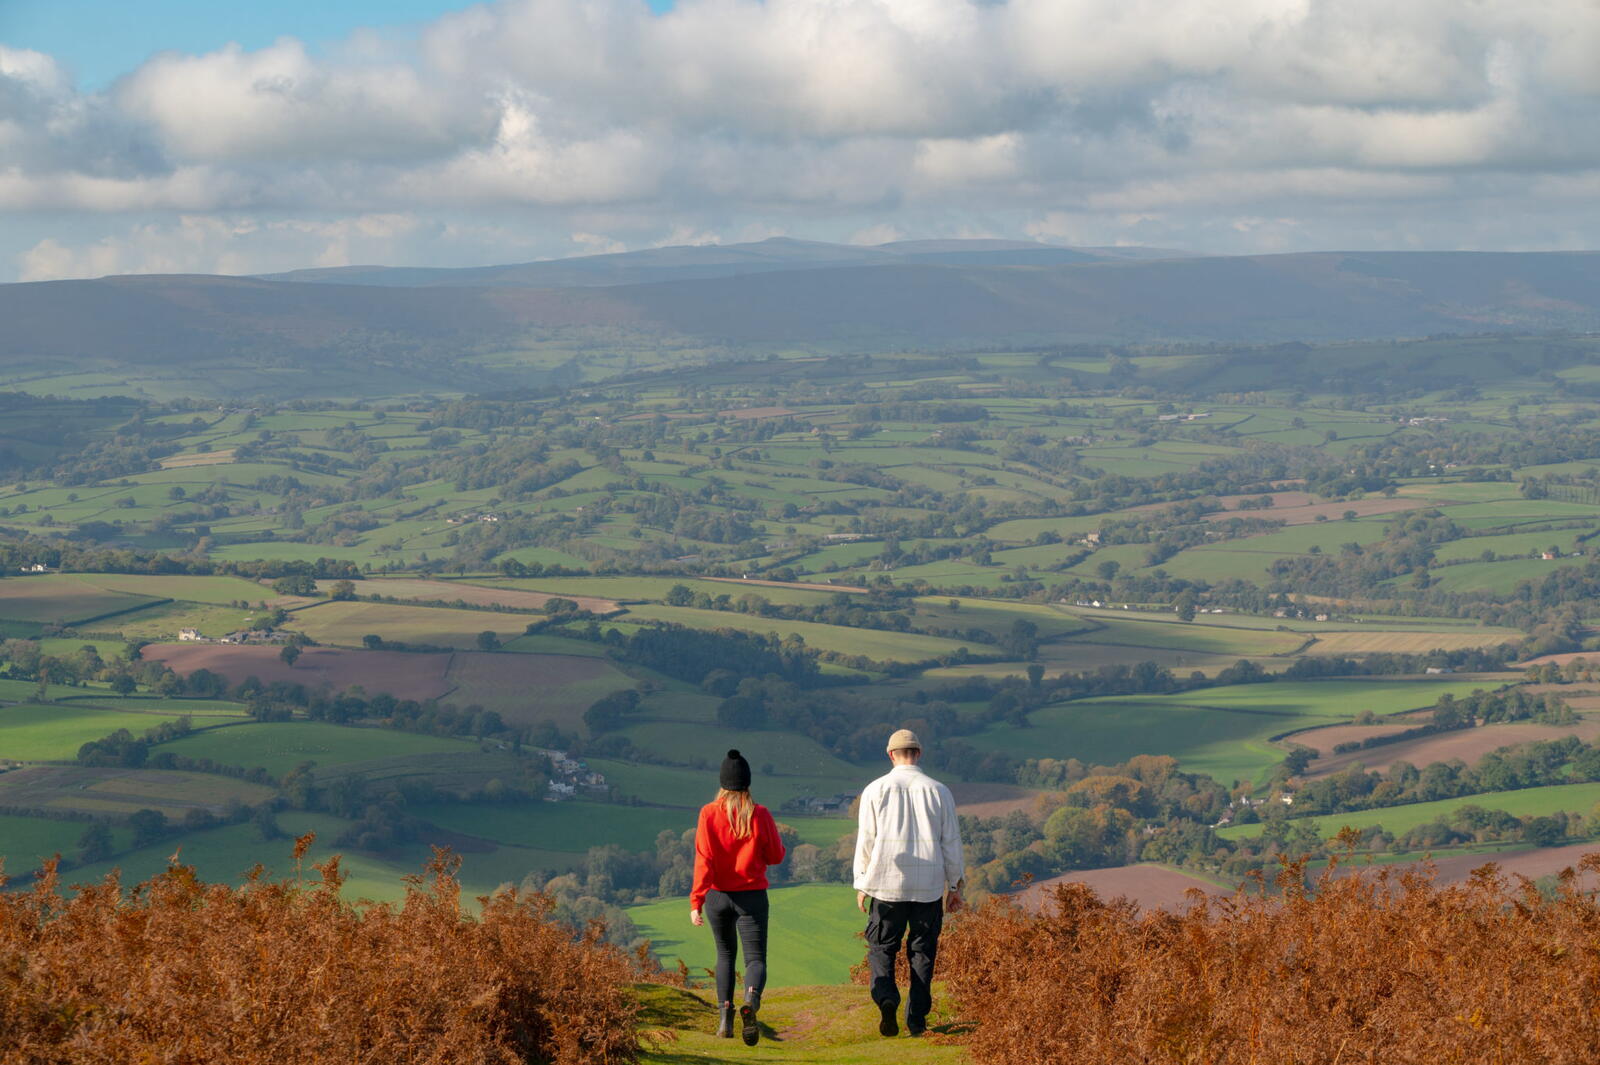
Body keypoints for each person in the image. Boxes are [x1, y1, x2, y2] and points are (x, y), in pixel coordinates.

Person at [853, 728, 964, 1038]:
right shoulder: (939, 791)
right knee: (923, 950)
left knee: (882, 948)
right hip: (928, 886)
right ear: (919, 753)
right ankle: (917, 1018)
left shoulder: (875, 790)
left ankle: (886, 996)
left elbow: (866, 840)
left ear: (891, 755)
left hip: (886, 885)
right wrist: (955, 886)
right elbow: (951, 842)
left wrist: (861, 882)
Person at [690, 749, 786, 1045]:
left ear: (722, 782)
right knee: (755, 959)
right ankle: (751, 1002)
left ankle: (724, 1022)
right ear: (747, 783)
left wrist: (697, 901)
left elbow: (703, 859)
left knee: (725, 957)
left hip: (718, 897)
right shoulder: (760, 814)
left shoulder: (708, 813)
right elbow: (776, 856)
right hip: (752, 897)